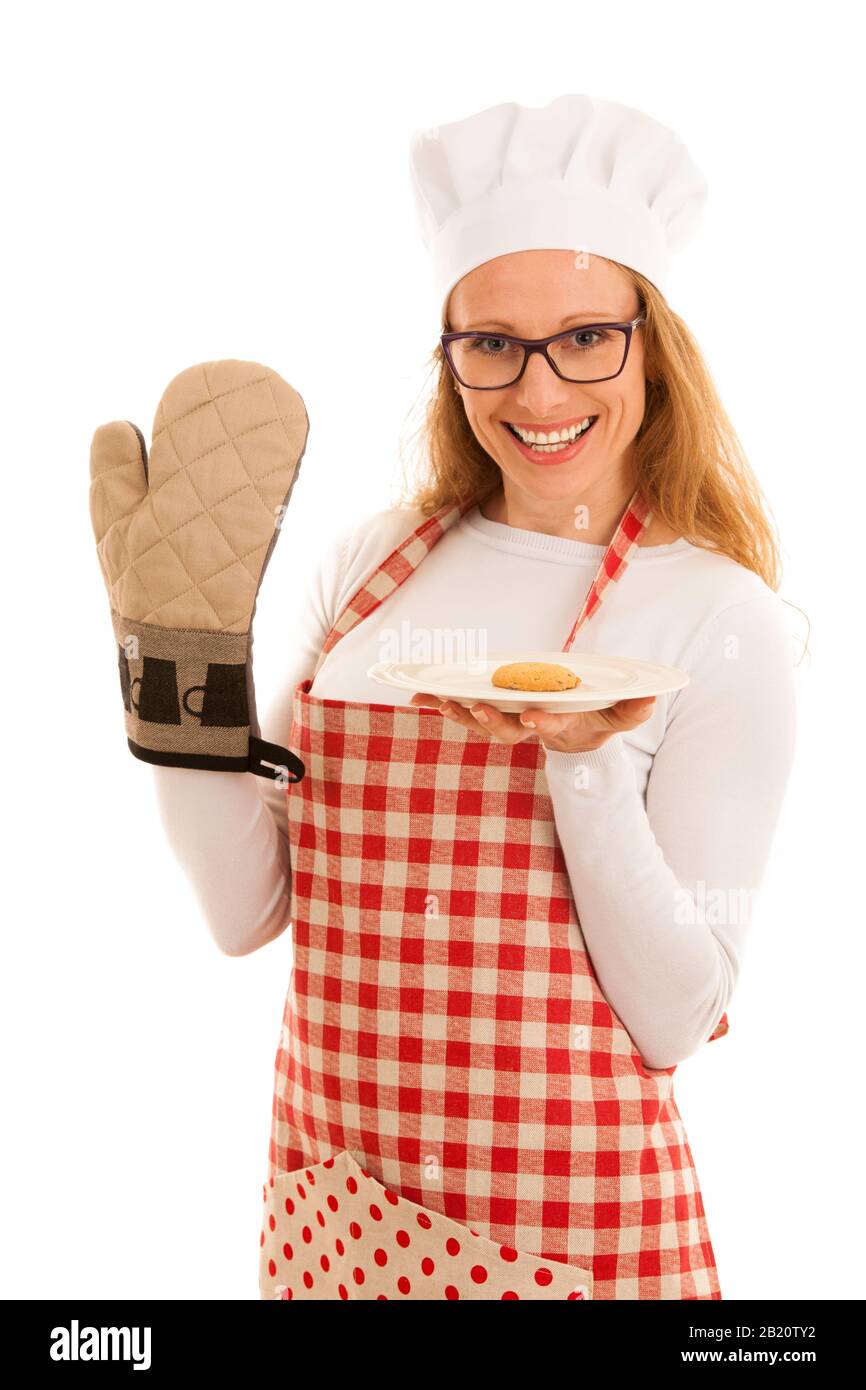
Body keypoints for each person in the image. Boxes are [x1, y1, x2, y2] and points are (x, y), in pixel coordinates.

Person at [151, 94, 797, 1300]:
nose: (537, 393)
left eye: (584, 336)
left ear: (651, 345)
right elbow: (246, 913)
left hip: (572, 1238)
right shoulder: (370, 566)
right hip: (338, 1213)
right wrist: (176, 680)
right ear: (447, 357)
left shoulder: (718, 619)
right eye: (491, 343)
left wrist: (581, 755)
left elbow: (673, 1019)